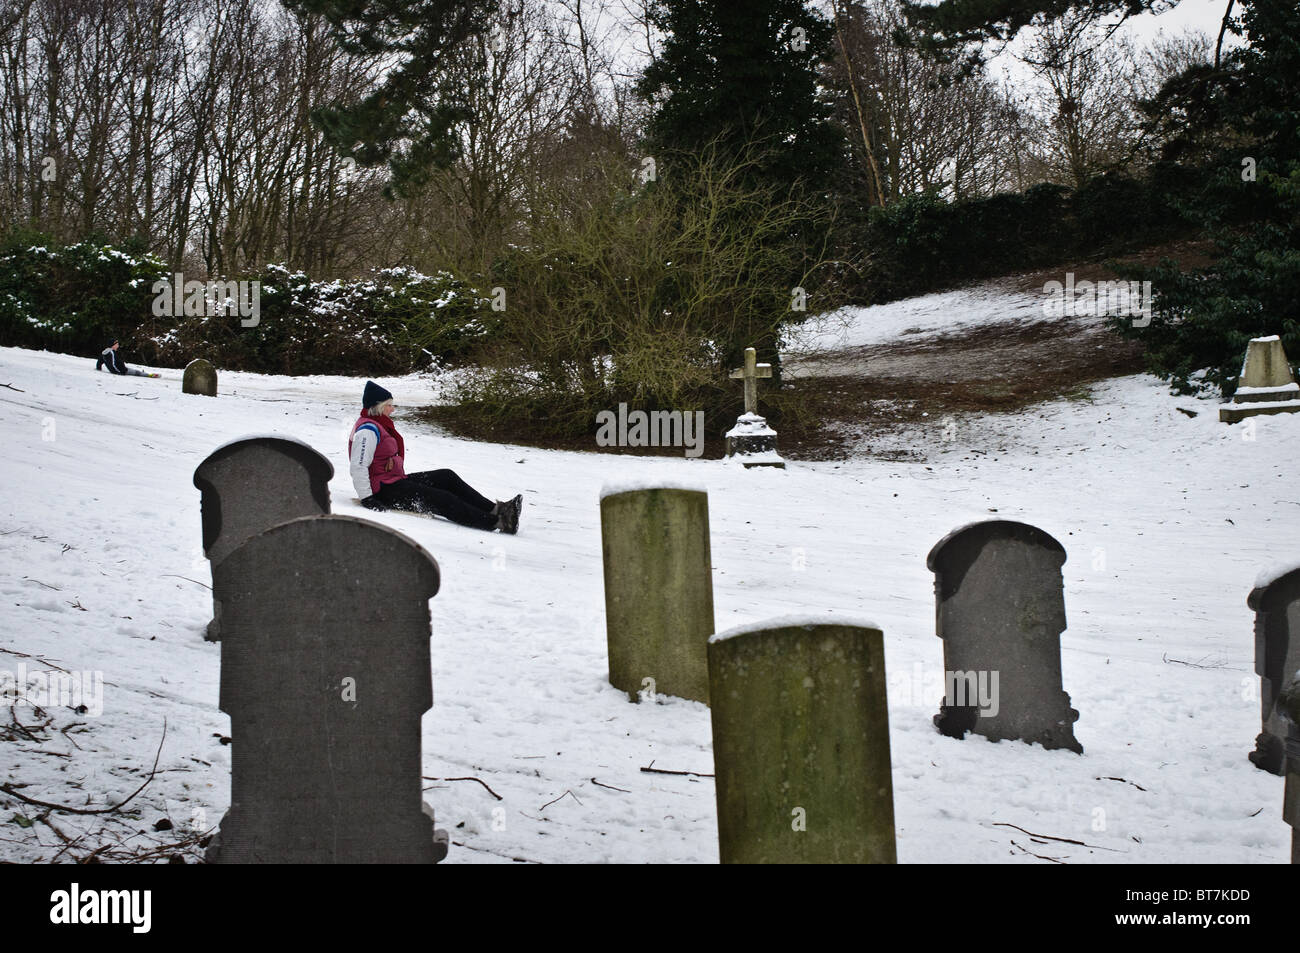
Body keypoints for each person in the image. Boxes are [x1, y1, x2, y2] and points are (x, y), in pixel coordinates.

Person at [349, 380, 523, 533]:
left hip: (393, 481)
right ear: (379, 406)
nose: (393, 409)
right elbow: (358, 465)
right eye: (390, 405)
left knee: (446, 477)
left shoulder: (379, 425)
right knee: (442, 498)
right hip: (382, 490)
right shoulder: (367, 431)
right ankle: (498, 523)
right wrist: (367, 498)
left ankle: (496, 509)